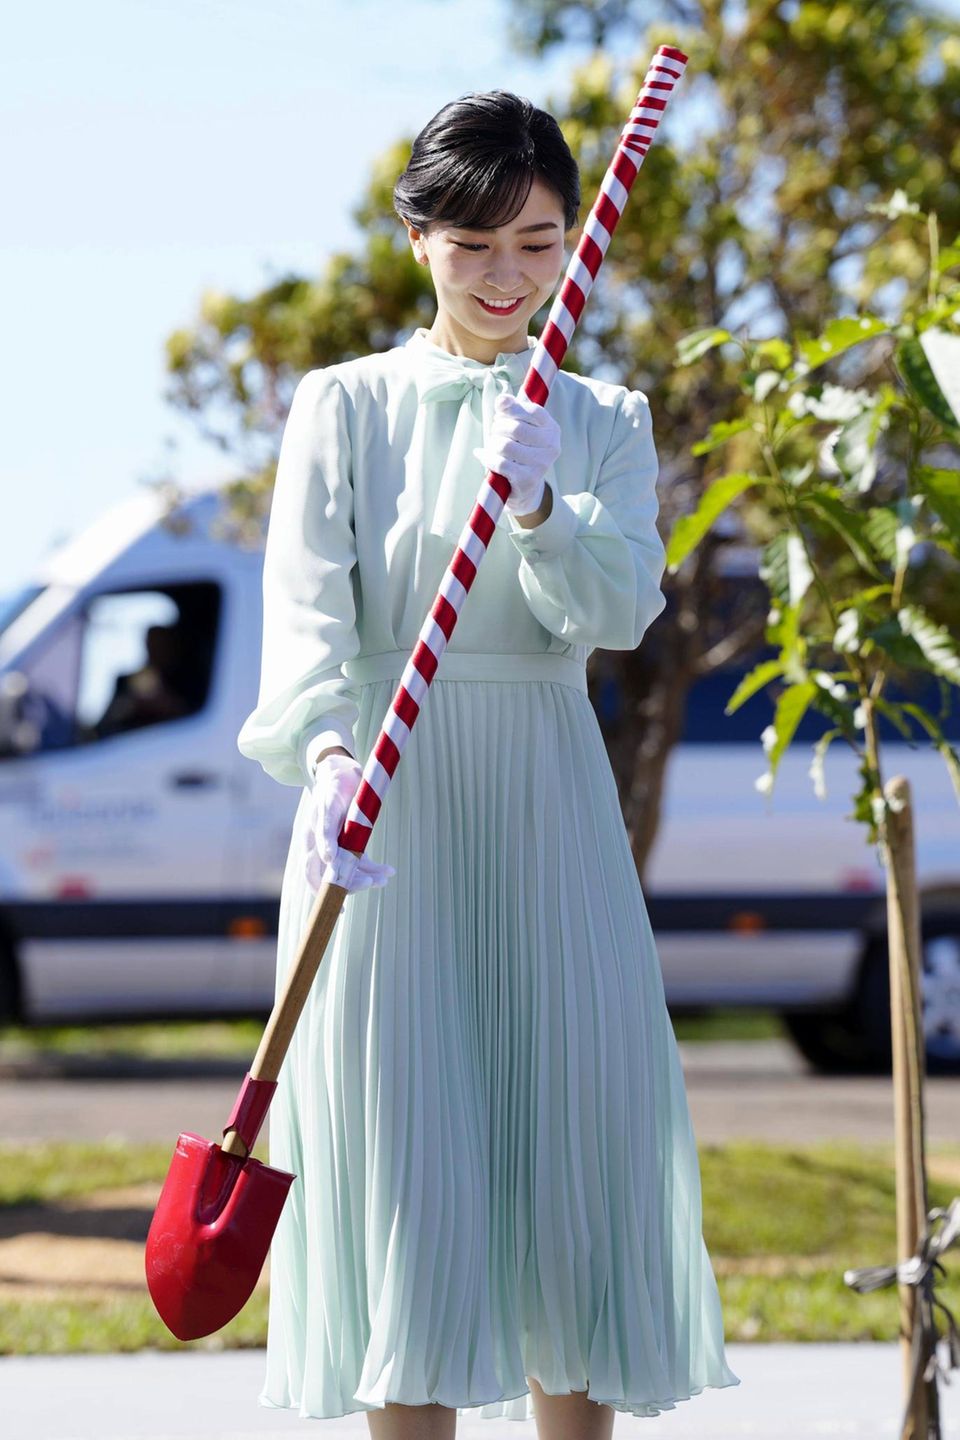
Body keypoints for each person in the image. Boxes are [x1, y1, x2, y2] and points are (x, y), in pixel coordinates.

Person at [236, 88, 740, 1439]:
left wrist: (539, 503)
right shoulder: (342, 407)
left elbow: (619, 609)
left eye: (538, 242)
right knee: (416, 1202)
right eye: (475, 246)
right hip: (386, 828)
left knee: (567, 1178)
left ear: (573, 239)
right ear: (416, 240)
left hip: (549, 814)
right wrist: (333, 754)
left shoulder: (606, 416)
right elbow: (310, 626)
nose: (510, 277)